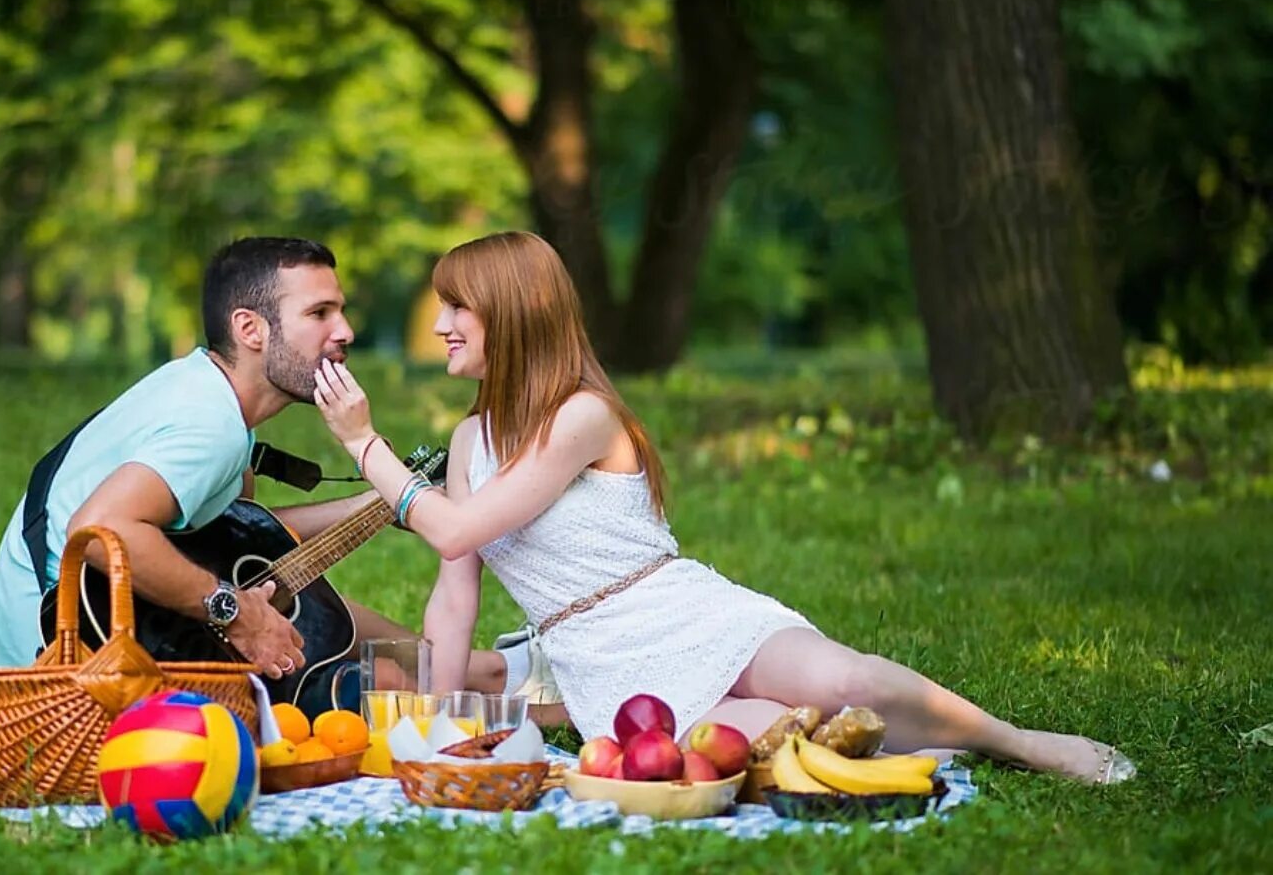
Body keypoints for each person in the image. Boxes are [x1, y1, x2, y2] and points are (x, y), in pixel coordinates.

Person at [311, 231, 1135, 783]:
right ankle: (910, 747)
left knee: (846, 681)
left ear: (513, 314)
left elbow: (453, 525)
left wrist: (361, 443)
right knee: (780, 743)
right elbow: (455, 596)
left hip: (688, 614)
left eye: (458, 307)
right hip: (608, 665)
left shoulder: (582, 415)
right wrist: (447, 734)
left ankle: (1016, 743)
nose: (444, 325)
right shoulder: (468, 443)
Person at [0, 237, 537, 710]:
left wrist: (380, 504)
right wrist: (232, 611)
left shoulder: (206, 393)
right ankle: (521, 702)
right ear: (251, 329)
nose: (344, 330)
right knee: (386, 683)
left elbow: (231, 534)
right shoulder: (210, 426)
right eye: (319, 314)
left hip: (107, 619)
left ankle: (493, 676)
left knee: (344, 622)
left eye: (340, 310)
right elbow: (101, 531)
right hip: (73, 663)